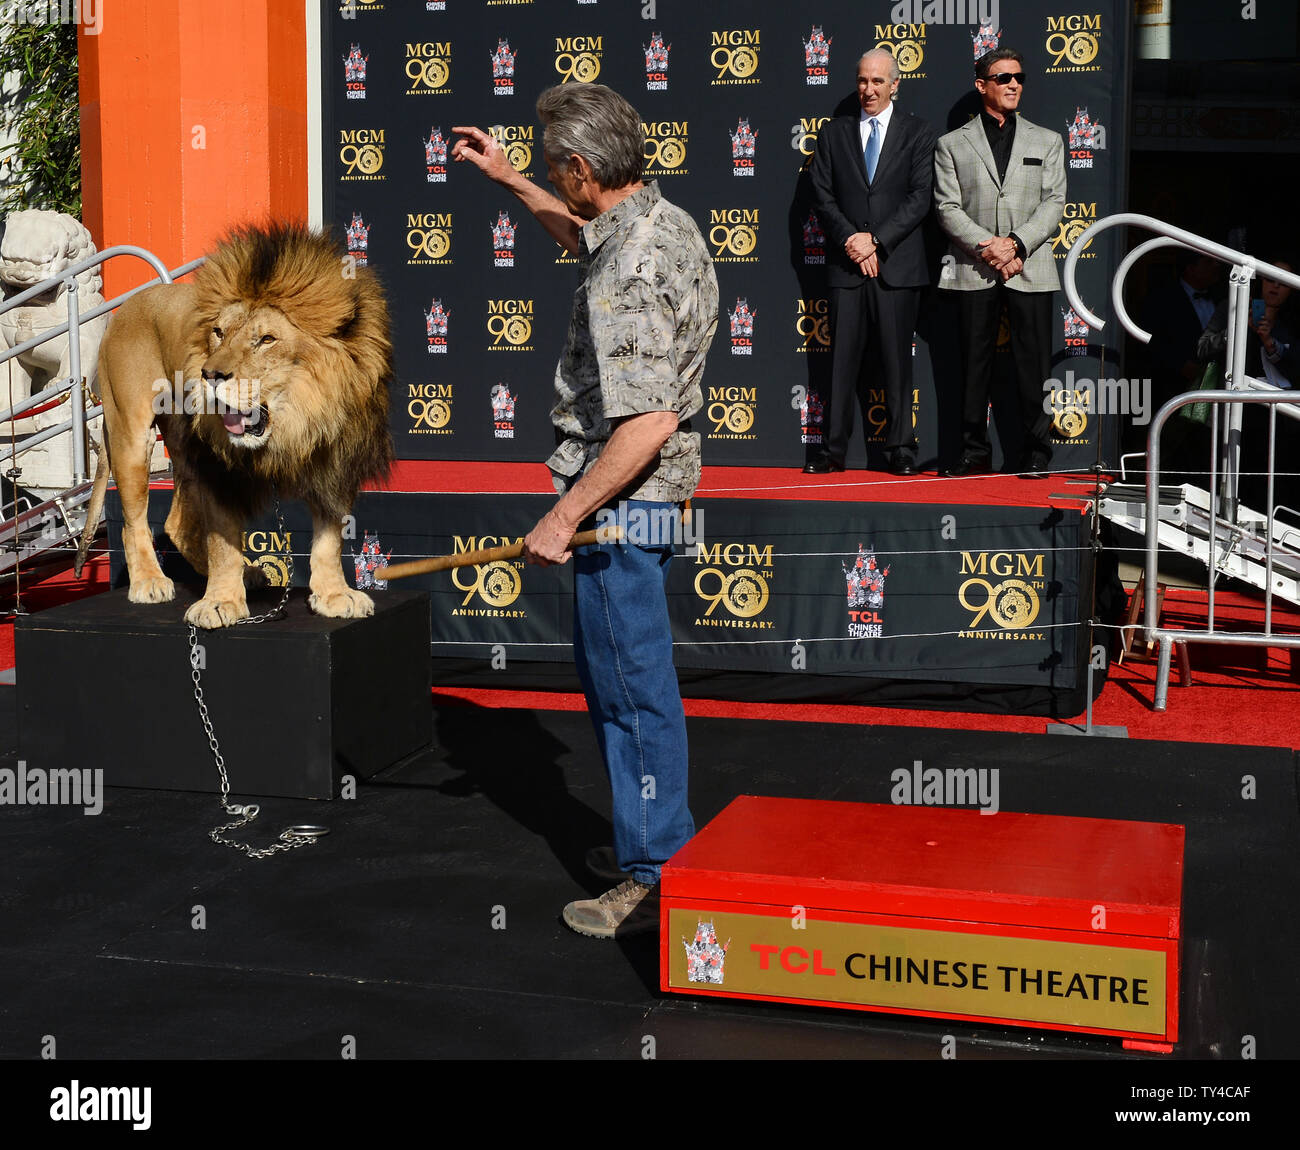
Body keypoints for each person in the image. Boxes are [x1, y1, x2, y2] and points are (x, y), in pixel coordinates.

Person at [452, 85, 718, 939]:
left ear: (582, 167)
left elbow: (645, 423)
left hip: (620, 509)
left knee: (629, 695)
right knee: (634, 686)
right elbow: (586, 238)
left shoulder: (629, 272)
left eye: (552, 168)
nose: (552, 182)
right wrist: (511, 183)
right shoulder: (660, 221)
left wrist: (563, 518)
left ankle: (654, 878)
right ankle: (657, 852)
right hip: (652, 499)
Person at [933, 47, 1066, 476]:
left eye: (1019, 78)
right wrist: (988, 248)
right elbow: (947, 207)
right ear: (982, 85)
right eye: (1004, 77)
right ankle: (973, 452)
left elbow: (1054, 203)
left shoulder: (1047, 141)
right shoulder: (951, 144)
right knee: (973, 367)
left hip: (1030, 266)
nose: (1014, 84)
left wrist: (1015, 245)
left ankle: (1035, 453)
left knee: (1033, 367)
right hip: (974, 268)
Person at [805, 48, 936, 476]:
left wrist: (876, 242)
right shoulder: (834, 133)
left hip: (896, 267)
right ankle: (832, 451)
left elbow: (920, 198)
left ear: (895, 84)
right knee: (839, 363)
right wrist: (851, 241)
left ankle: (901, 449)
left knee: (898, 363)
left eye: (878, 81)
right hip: (847, 267)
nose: (869, 89)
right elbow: (821, 195)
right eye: (863, 81)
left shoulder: (918, 133)